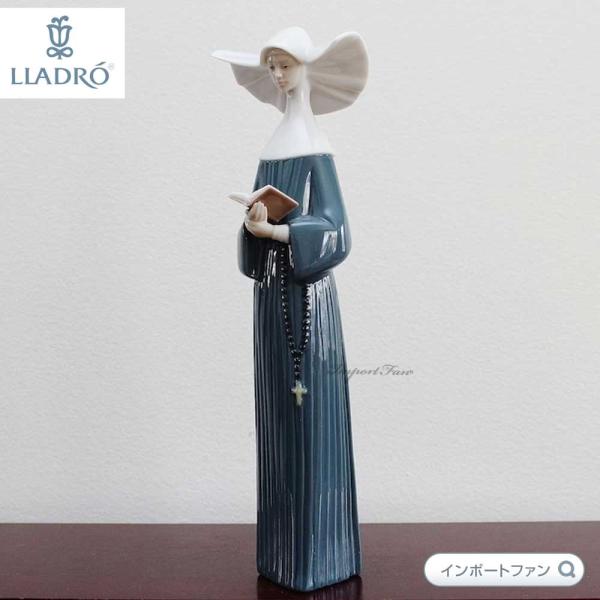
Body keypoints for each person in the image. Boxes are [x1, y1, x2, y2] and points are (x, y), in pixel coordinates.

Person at [212, 26, 368, 592]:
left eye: (285, 65)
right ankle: (281, 552)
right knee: (278, 419)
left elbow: (338, 233)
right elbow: (259, 230)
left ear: (306, 67)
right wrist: (255, 225)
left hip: (309, 300)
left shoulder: (315, 148)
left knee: (312, 418)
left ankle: (321, 555)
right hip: (272, 298)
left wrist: (279, 233)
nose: (278, 75)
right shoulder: (272, 148)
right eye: (272, 66)